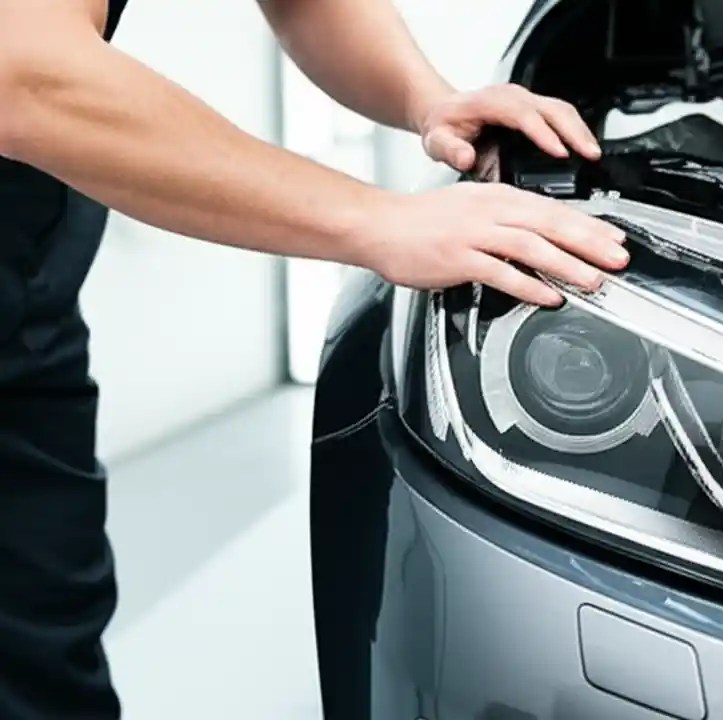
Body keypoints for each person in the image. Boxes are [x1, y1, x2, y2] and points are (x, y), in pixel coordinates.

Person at [0, 1, 627, 717]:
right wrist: (377, 220)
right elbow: (26, 74)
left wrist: (429, 100)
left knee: (43, 651)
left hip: (28, 283)